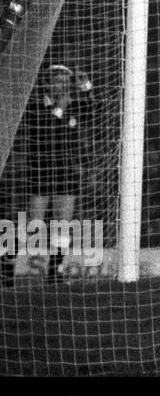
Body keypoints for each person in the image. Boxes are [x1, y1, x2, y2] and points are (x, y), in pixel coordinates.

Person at [3, 64, 97, 285]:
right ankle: (6, 269)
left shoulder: (73, 107)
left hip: (66, 173)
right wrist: (59, 111)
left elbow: (95, 111)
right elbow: (47, 132)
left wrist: (86, 85)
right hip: (41, 173)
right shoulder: (35, 108)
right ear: (47, 83)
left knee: (63, 225)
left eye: (66, 80)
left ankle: (55, 273)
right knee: (32, 225)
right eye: (57, 80)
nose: (62, 84)